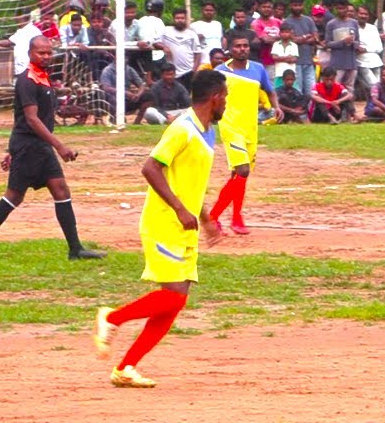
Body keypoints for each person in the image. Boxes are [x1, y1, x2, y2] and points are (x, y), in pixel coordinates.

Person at [93, 69, 226, 388]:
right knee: (175, 299)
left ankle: (125, 368)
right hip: (164, 223)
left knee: (173, 301)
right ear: (216, 98)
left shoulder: (207, 131)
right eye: (226, 99)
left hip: (184, 225)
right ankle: (112, 318)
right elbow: (150, 167)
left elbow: (189, 183)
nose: (227, 105)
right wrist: (180, 209)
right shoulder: (183, 128)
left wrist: (205, 218)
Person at [0, 36, 106, 263]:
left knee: (61, 190)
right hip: (30, 147)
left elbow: (19, 118)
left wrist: (11, 149)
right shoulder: (27, 80)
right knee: (14, 197)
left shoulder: (42, 78)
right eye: (41, 53)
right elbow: (31, 119)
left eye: (49, 53)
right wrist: (58, 145)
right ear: (30, 53)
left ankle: (75, 249)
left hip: (39, 146)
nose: (46, 57)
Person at [210, 37, 280, 236]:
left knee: (238, 175)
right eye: (237, 45)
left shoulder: (258, 69)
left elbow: (269, 90)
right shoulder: (220, 72)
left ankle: (234, 218)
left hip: (250, 128)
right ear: (229, 49)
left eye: (245, 45)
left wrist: (276, 107)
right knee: (243, 170)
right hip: (230, 126)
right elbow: (209, 97)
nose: (242, 49)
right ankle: (215, 216)